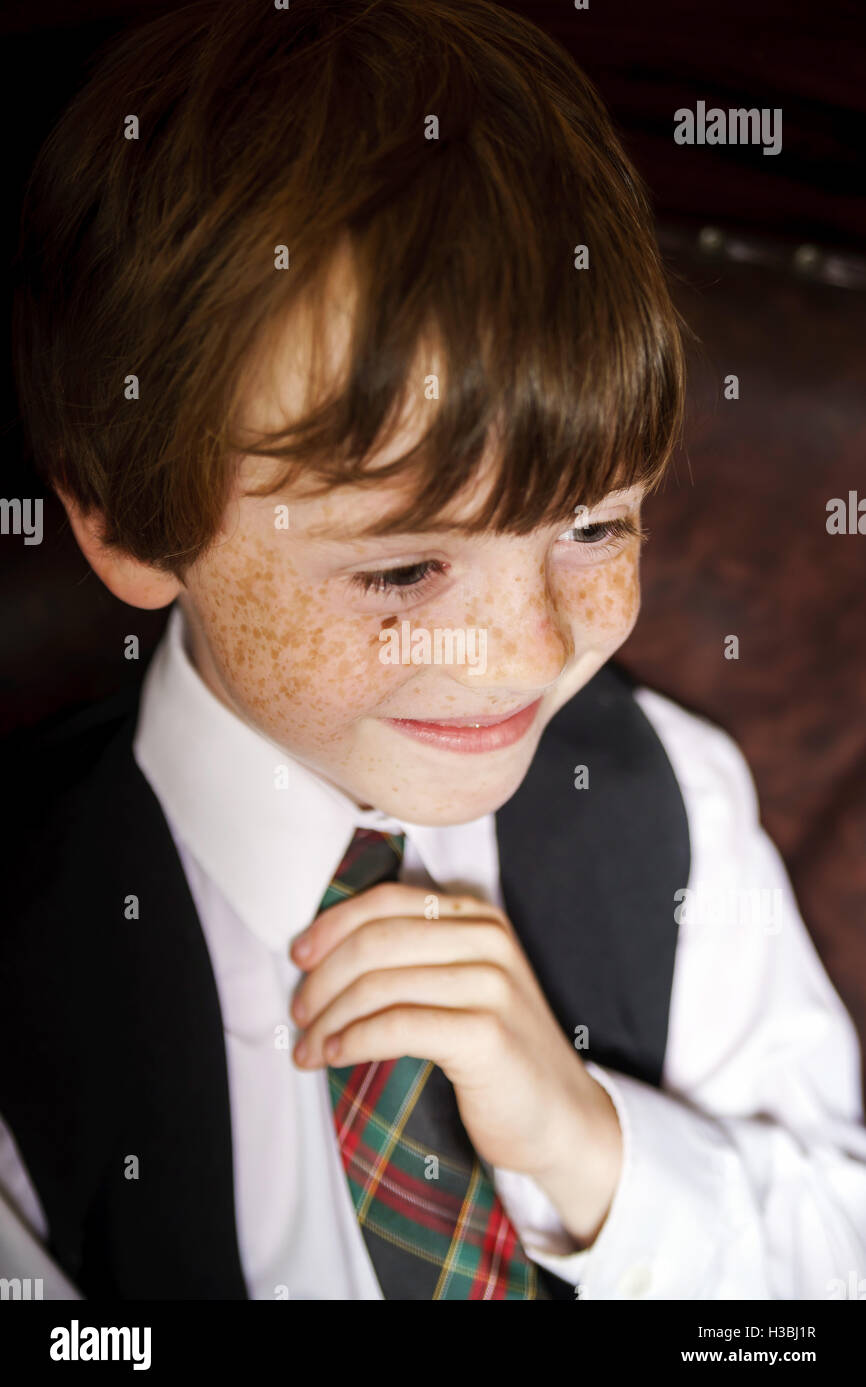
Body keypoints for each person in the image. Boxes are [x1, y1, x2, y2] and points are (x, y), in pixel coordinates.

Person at [3, 0, 864, 1300]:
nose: (524, 651)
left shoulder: (671, 799)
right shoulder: (28, 969)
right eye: (402, 567)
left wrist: (590, 1144)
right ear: (126, 520)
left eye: (593, 527)